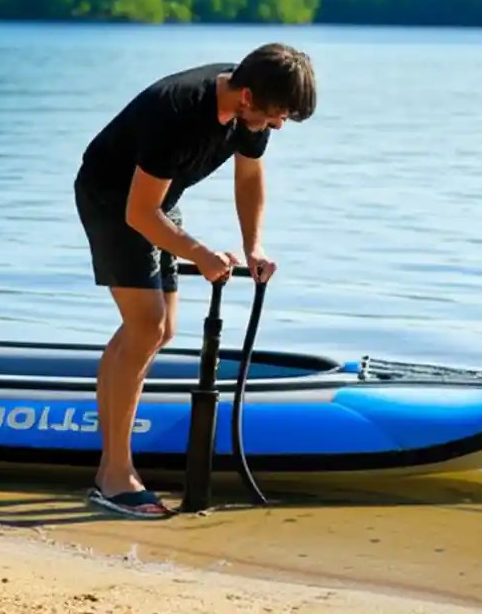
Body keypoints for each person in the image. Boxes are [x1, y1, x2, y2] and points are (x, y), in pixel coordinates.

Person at [73, 43, 316, 518]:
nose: (278, 125)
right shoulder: (178, 113)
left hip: (157, 200)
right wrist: (201, 254)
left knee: (160, 330)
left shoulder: (251, 108)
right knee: (145, 325)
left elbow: (248, 179)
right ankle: (114, 476)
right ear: (246, 96)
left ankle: (110, 461)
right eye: (275, 116)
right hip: (112, 197)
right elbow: (138, 213)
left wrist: (254, 247)